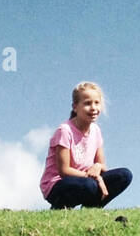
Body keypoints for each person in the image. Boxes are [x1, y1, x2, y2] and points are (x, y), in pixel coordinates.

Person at [41, 81, 132, 209]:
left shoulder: (96, 131)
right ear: (75, 107)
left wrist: (97, 166)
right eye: (87, 103)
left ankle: (91, 208)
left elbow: (101, 165)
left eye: (97, 103)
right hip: (58, 184)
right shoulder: (65, 131)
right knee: (90, 185)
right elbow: (64, 171)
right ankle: (59, 206)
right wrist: (95, 178)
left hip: (87, 181)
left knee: (125, 175)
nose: (93, 108)